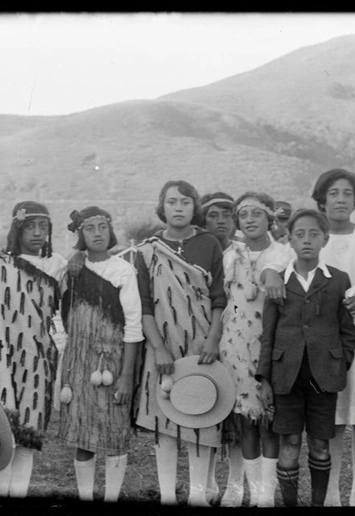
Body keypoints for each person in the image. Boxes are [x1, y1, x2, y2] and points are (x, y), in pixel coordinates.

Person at [133, 180, 227, 506]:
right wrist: (158, 349)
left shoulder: (209, 243)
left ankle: (199, 494)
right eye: (171, 201)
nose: (178, 207)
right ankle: (167, 495)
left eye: (185, 202)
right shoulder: (146, 250)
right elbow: (144, 306)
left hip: (201, 343)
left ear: (194, 207)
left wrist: (213, 340)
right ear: (162, 206)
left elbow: (219, 299)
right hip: (163, 347)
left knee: (202, 415)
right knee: (165, 423)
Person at [256, 209, 355, 506]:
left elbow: (347, 330)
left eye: (314, 234)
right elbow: (268, 333)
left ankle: (317, 502)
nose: (307, 240)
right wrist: (264, 378)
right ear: (289, 240)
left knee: (319, 443)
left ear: (325, 239)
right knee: (288, 442)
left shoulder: (338, 280)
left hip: (322, 380)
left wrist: (340, 362)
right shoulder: (278, 282)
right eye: (299, 235)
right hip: (285, 377)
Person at [0, 201, 67, 497]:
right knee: (0, 437)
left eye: (43, 227)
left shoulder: (57, 264)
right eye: (30, 227)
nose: (37, 233)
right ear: (17, 229)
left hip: (38, 364)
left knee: (28, 438)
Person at [57, 206, 143, 503]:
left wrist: (126, 375)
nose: (97, 234)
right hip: (78, 362)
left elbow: (133, 326)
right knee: (84, 433)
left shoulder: (123, 270)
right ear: (80, 234)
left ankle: (112, 497)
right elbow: (60, 316)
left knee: (114, 433)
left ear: (111, 231)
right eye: (89, 228)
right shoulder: (70, 270)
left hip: (113, 361)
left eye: (102, 227)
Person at [310, 169, 355, 507]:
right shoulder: (312, 238)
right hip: (325, 342)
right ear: (321, 200)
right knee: (333, 418)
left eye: (347, 193)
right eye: (333, 193)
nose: (340, 199)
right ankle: (331, 493)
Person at [219, 191, 291, 507]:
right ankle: (252, 489)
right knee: (246, 422)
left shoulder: (282, 254)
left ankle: (267, 494)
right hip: (234, 345)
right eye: (244, 215)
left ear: (269, 218)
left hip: (268, 344)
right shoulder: (229, 255)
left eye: (256, 214)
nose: (250, 220)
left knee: (269, 420)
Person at [199, 190, 244, 503]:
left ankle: (236, 484)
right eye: (213, 215)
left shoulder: (244, 253)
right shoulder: (198, 251)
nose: (220, 221)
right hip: (205, 339)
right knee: (208, 408)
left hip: (241, 342)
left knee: (240, 415)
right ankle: (208, 481)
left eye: (226, 215)